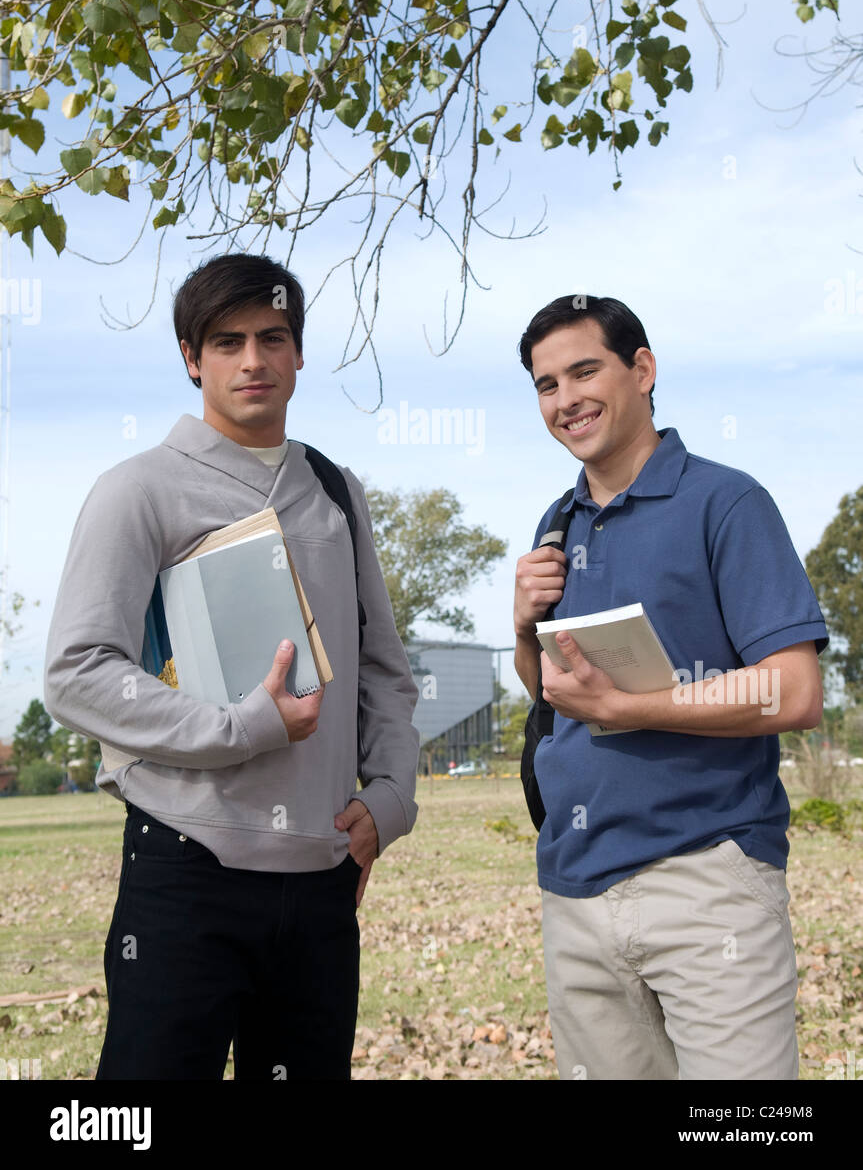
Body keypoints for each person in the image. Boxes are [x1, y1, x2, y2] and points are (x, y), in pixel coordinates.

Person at [44, 253, 420, 1081]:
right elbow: (76, 671)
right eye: (226, 342)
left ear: (295, 352)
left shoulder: (335, 491)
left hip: (321, 879)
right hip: (185, 869)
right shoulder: (137, 490)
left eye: (272, 338)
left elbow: (385, 672)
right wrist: (240, 728)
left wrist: (389, 800)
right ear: (191, 357)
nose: (253, 361)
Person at [513, 294, 827, 1081]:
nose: (565, 399)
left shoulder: (727, 502)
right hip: (574, 888)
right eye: (546, 385)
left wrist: (630, 708)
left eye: (584, 371)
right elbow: (552, 696)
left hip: (705, 877)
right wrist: (523, 628)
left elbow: (792, 693)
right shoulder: (557, 524)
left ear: (641, 370)